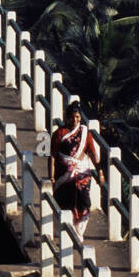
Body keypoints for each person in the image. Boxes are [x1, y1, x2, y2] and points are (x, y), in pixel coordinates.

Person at [50, 101, 104, 240]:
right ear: (67, 117)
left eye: (78, 117)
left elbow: (93, 154)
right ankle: (68, 232)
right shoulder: (59, 133)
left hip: (82, 172)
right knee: (65, 202)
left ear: (81, 118)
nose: (75, 120)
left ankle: (79, 232)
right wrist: (52, 177)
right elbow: (53, 157)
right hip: (64, 174)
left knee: (84, 202)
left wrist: (100, 172)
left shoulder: (85, 133)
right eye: (72, 117)